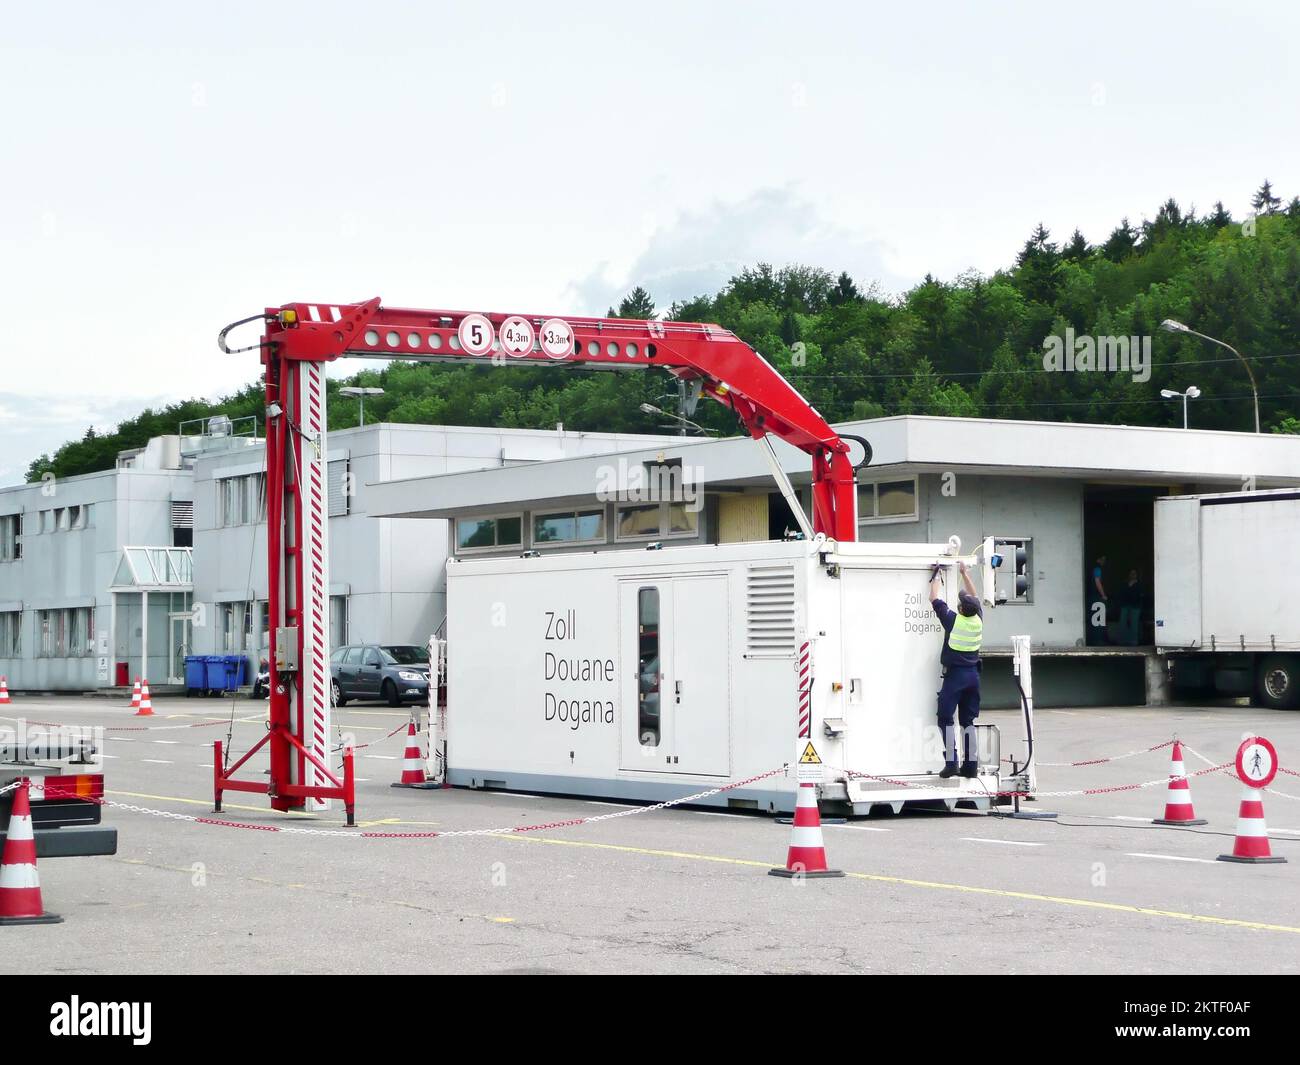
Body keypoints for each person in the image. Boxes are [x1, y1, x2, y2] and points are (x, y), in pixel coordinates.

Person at [929, 561, 983, 779]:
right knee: (968, 721)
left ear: (961, 609)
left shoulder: (953, 620)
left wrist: (936, 574)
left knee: (945, 717)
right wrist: (964, 573)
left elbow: (933, 597)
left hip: (956, 677)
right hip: (974, 676)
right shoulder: (978, 619)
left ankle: (951, 763)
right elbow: (975, 596)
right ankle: (970, 766)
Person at [1086, 554, 1109, 646]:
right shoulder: (1097, 569)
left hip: (1091, 596)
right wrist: (1103, 595)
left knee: (1093, 619)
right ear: (1098, 559)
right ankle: (1098, 640)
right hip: (1096, 597)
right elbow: (1097, 581)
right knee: (1099, 619)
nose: (1104, 561)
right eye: (1102, 559)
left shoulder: (1090, 569)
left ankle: (1095, 640)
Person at [1117, 569, 1143, 646]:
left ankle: (1133, 641)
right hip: (1125, 606)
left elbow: (1141, 595)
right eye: (1131, 573)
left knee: (1134, 624)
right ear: (1129, 574)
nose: (1133, 575)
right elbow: (1121, 594)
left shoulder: (1139, 584)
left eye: (1134, 573)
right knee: (1122, 623)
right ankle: (1121, 641)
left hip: (1135, 606)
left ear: (1136, 575)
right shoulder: (1124, 584)